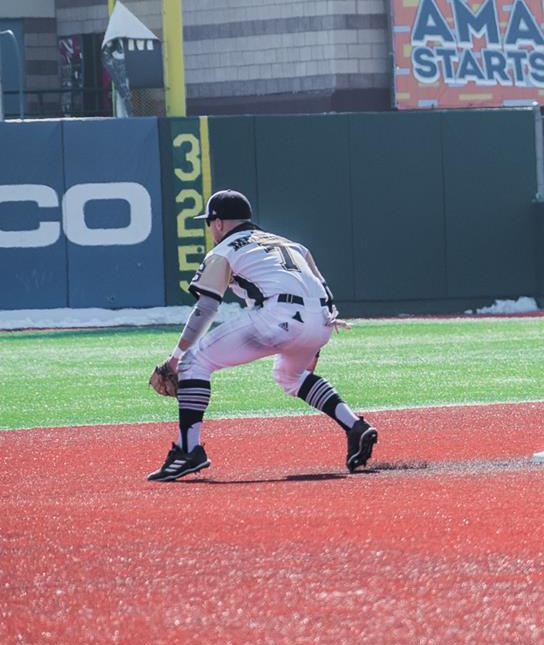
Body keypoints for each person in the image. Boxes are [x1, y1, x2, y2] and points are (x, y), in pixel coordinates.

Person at [146, 190, 376, 482]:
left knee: (194, 363)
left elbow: (206, 308)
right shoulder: (293, 245)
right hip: (323, 321)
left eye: (209, 222)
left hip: (278, 316)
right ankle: (354, 426)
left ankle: (188, 451)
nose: (209, 229)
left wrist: (175, 358)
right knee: (290, 376)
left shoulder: (224, 250)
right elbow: (320, 289)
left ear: (218, 223)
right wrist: (314, 347)